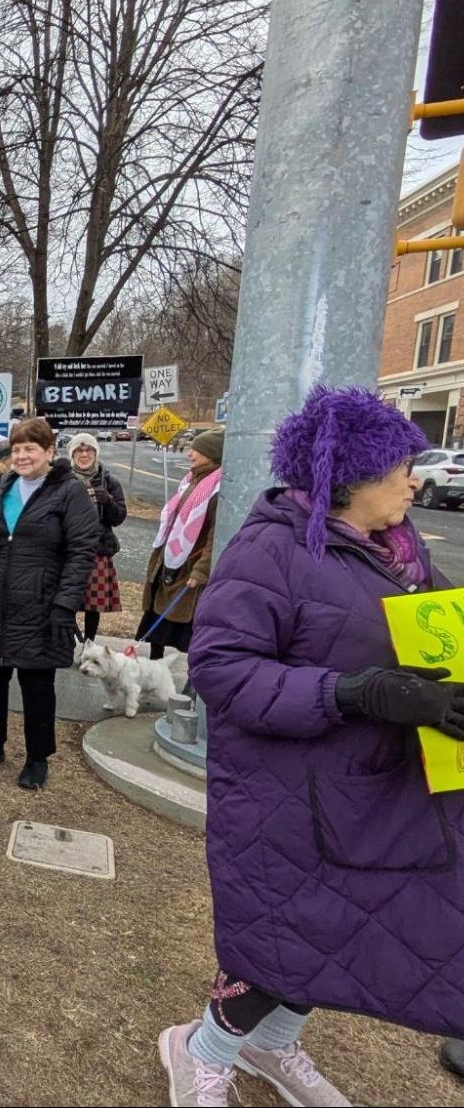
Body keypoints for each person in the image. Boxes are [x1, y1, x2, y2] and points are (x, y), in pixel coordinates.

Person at [158, 386, 464, 1107]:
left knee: (346, 935)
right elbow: (222, 669)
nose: (412, 481)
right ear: (352, 478)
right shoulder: (271, 547)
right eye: (400, 469)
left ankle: (269, 1044)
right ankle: (198, 1051)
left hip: (381, 791)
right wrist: (353, 692)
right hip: (289, 795)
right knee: (283, 937)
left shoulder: (401, 547)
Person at [0, 417, 99, 790]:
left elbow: (81, 553)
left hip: (41, 605)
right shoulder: (5, 487)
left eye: (30, 448)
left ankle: (37, 757)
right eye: (16, 449)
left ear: (49, 451)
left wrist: (66, 605)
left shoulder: (69, 492)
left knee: (36, 685)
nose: (22, 455)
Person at [139, 428, 222, 659]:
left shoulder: (217, 489)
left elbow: (216, 535)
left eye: (197, 450)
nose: (190, 454)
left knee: (187, 628)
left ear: (212, 454)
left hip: (189, 567)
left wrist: (201, 569)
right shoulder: (191, 480)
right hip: (168, 561)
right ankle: (155, 668)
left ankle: (194, 678)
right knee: (157, 618)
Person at [62, 433, 128, 642]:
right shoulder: (63, 480)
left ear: (95, 453)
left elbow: (119, 518)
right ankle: (66, 641)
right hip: (67, 549)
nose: (84, 454)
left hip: (97, 550)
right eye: (79, 451)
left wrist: (108, 501)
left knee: (93, 604)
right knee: (66, 599)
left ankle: (88, 644)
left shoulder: (109, 481)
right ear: (72, 454)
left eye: (89, 450)